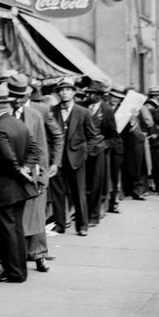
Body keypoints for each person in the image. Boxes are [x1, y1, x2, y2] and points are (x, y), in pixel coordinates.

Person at [0, 84, 41, 283]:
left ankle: (13, 272)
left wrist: (19, 171)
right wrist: (26, 168)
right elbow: (35, 150)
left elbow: (7, 158)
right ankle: (18, 271)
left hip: (3, 188)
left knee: (6, 231)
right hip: (19, 189)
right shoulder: (18, 124)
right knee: (16, 230)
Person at [11, 75, 57, 272]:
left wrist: (43, 175)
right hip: (11, 172)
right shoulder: (4, 114)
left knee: (36, 215)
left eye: (21, 96)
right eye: (14, 95)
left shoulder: (34, 115)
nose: (17, 100)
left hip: (33, 171)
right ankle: (19, 255)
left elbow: (41, 147)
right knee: (18, 217)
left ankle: (39, 255)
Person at [49, 77, 100, 236]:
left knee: (78, 193)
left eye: (67, 89)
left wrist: (84, 153)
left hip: (76, 159)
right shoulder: (52, 111)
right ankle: (59, 224)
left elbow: (93, 136)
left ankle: (82, 225)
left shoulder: (82, 112)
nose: (64, 93)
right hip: (56, 160)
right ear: (58, 93)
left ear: (73, 92)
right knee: (57, 193)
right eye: (61, 90)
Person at [83, 80, 113, 224]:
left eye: (92, 93)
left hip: (98, 150)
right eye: (88, 93)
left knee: (96, 184)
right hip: (82, 149)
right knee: (84, 183)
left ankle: (93, 216)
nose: (89, 96)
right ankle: (83, 213)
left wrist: (104, 145)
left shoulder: (106, 110)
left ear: (99, 95)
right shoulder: (82, 107)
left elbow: (112, 133)